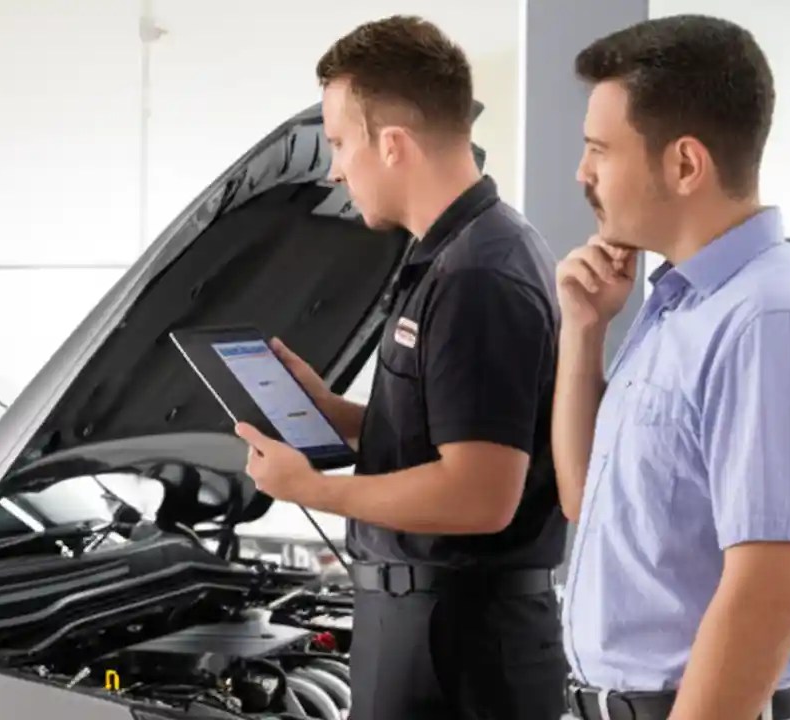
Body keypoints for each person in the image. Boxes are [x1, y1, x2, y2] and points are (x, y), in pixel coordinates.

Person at [233, 15, 567, 719]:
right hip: (433, 629)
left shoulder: (480, 274)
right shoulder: (460, 255)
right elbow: (446, 440)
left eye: (339, 143)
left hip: (457, 644)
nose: (333, 169)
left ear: (392, 145)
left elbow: (480, 494)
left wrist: (311, 491)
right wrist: (337, 414)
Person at [554, 14, 790, 720]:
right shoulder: (679, 307)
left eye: (598, 150)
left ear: (684, 164)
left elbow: (770, 589)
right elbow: (587, 506)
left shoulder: (770, 318)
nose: (581, 173)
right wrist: (584, 334)